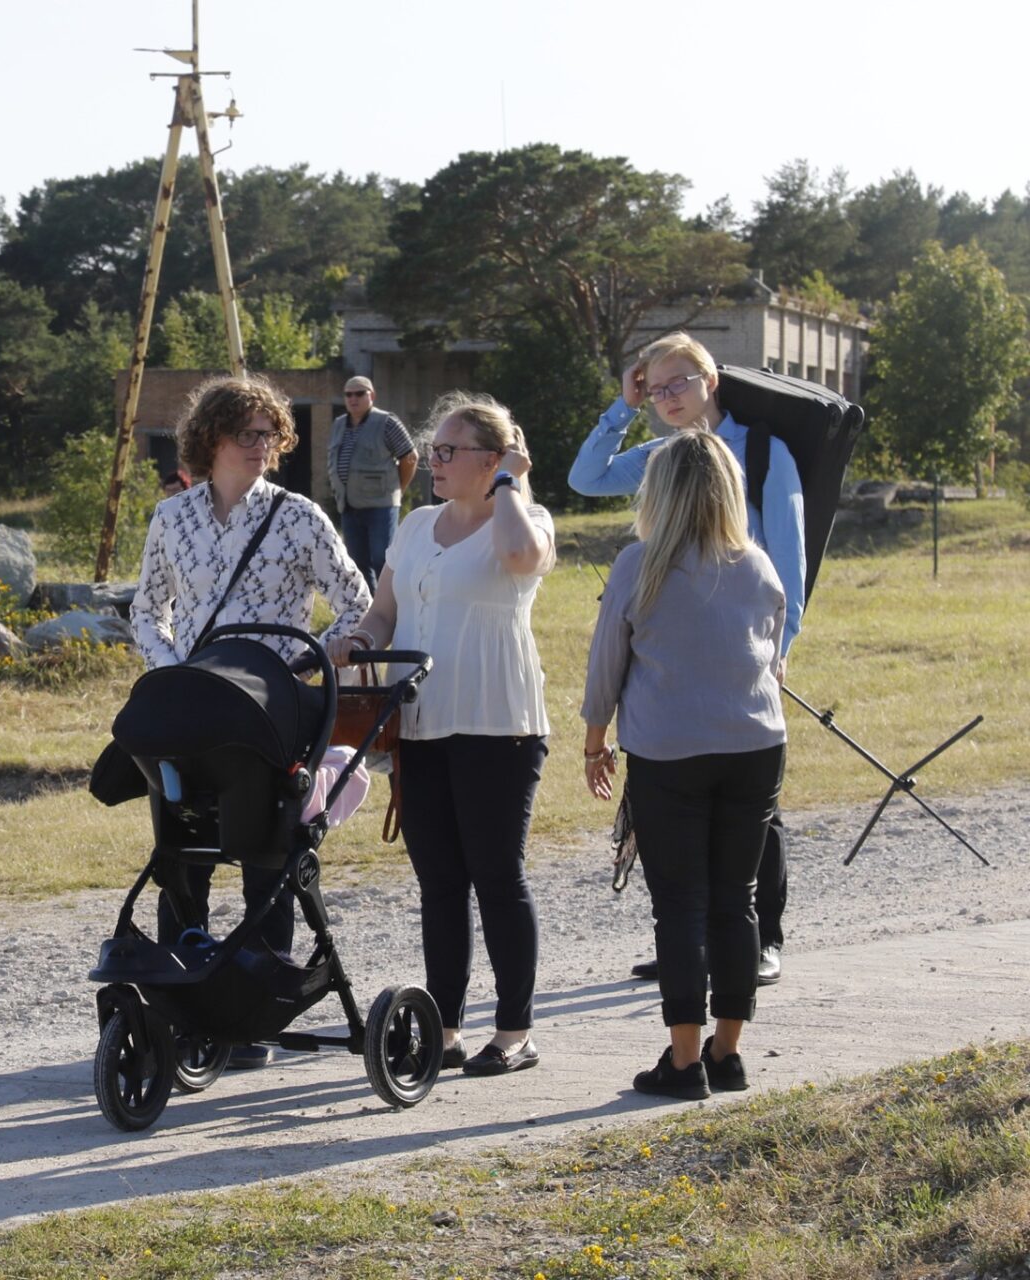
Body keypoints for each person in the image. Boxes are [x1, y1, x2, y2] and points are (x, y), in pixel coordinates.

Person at [132, 374, 372, 1068]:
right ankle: (184, 1008)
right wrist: (171, 672)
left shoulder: (298, 516)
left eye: (272, 433)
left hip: (274, 710)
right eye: (249, 434)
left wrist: (318, 658)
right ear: (210, 439)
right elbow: (147, 611)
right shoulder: (171, 518)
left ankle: (255, 1011)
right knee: (182, 858)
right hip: (194, 707)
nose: (264, 445)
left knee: (267, 861)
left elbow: (355, 603)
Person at [567, 331, 804, 986]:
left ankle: (762, 939)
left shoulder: (763, 453)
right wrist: (622, 407)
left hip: (745, 653)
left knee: (753, 808)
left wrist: (779, 654)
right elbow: (584, 479)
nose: (667, 398)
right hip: (671, 650)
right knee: (675, 809)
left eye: (679, 383)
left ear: (711, 382)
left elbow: (790, 563)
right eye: (655, 387)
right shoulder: (660, 456)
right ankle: (690, 941)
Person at [333, 391, 556, 1077]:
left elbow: (522, 558)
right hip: (421, 721)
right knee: (440, 883)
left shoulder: (524, 519)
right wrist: (357, 641)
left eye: (450, 451)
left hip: (498, 722)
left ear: (492, 461)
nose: (434, 460)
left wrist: (511, 483)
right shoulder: (417, 523)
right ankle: (448, 1027)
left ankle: (515, 1032)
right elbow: (386, 611)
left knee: (496, 876)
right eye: (434, 449)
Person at [580, 429, 787, 1101]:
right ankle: (728, 1053)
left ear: (659, 494)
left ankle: (682, 1059)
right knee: (737, 899)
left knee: (680, 906)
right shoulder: (756, 564)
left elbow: (606, 662)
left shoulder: (639, 565)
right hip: (755, 745)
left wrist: (594, 739)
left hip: (671, 750)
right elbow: (772, 654)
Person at [327, 375, 417, 590]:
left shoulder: (387, 422)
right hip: (349, 505)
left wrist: (397, 489)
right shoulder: (339, 424)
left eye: (359, 393)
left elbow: (410, 457)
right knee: (357, 563)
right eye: (348, 394)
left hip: (381, 504)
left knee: (383, 559)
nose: (353, 398)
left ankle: (393, 609)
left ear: (372, 396)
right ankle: (369, 612)